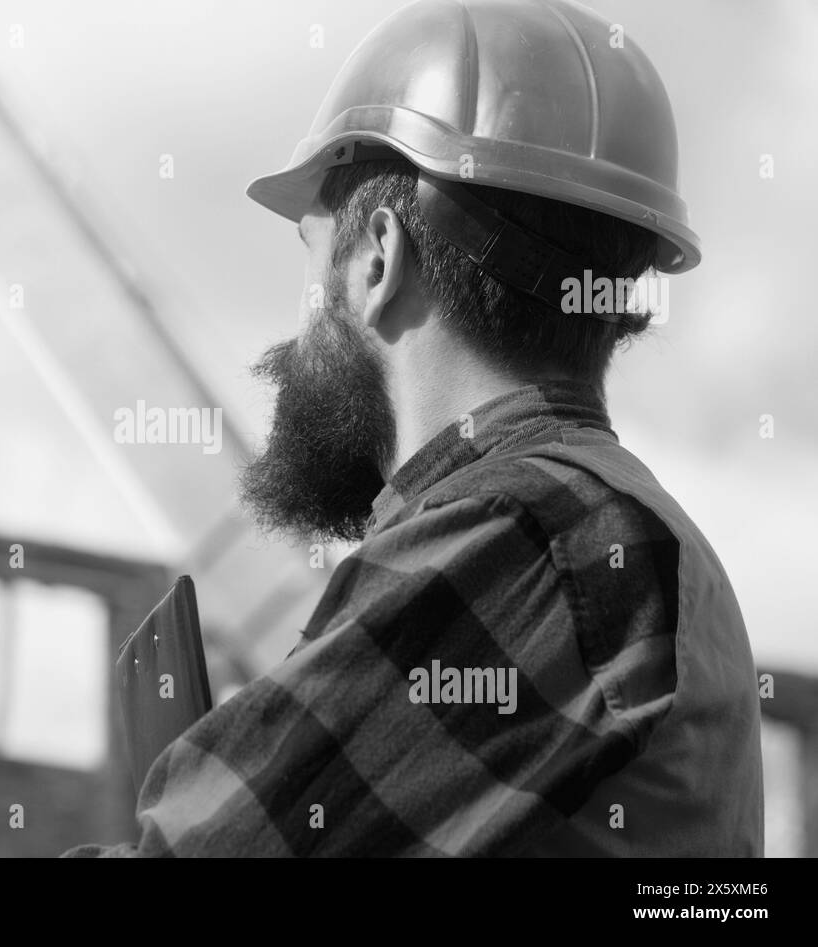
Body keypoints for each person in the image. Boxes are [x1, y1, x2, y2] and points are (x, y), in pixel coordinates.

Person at [63, 0, 763, 856]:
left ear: (376, 260)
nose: (296, 330)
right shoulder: (608, 532)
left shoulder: (538, 536)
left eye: (309, 264)